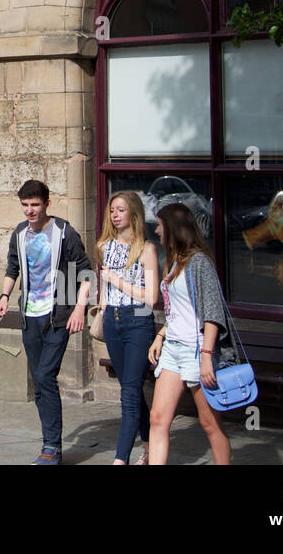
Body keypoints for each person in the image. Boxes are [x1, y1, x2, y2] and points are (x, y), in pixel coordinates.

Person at [0, 179, 93, 465]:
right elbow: (13, 267)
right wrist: (4, 296)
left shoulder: (64, 233)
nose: (29, 211)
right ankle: (49, 442)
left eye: (35, 205)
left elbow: (86, 272)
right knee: (39, 382)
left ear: (47, 204)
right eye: (25, 205)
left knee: (46, 376)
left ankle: (52, 447)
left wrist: (79, 309)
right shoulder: (21, 233)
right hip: (30, 316)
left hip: (58, 315)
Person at [147, 202, 234, 465]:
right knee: (158, 419)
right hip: (173, 349)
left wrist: (207, 354)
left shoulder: (199, 263)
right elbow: (179, 311)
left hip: (196, 350)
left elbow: (212, 314)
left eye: (160, 227)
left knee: (210, 423)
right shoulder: (174, 264)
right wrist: (160, 336)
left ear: (173, 229)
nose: (158, 232)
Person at [96, 190, 159, 465]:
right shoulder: (103, 246)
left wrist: (116, 280)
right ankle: (149, 447)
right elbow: (103, 287)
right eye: (112, 210)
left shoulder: (147, 249)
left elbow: (152, 297)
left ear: (133, 213)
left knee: (129, 394)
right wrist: (101, 306)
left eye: (120, 210)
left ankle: (120, 459)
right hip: (113, 322)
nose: (115, 215)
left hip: (138, 322)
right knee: (130, 389)